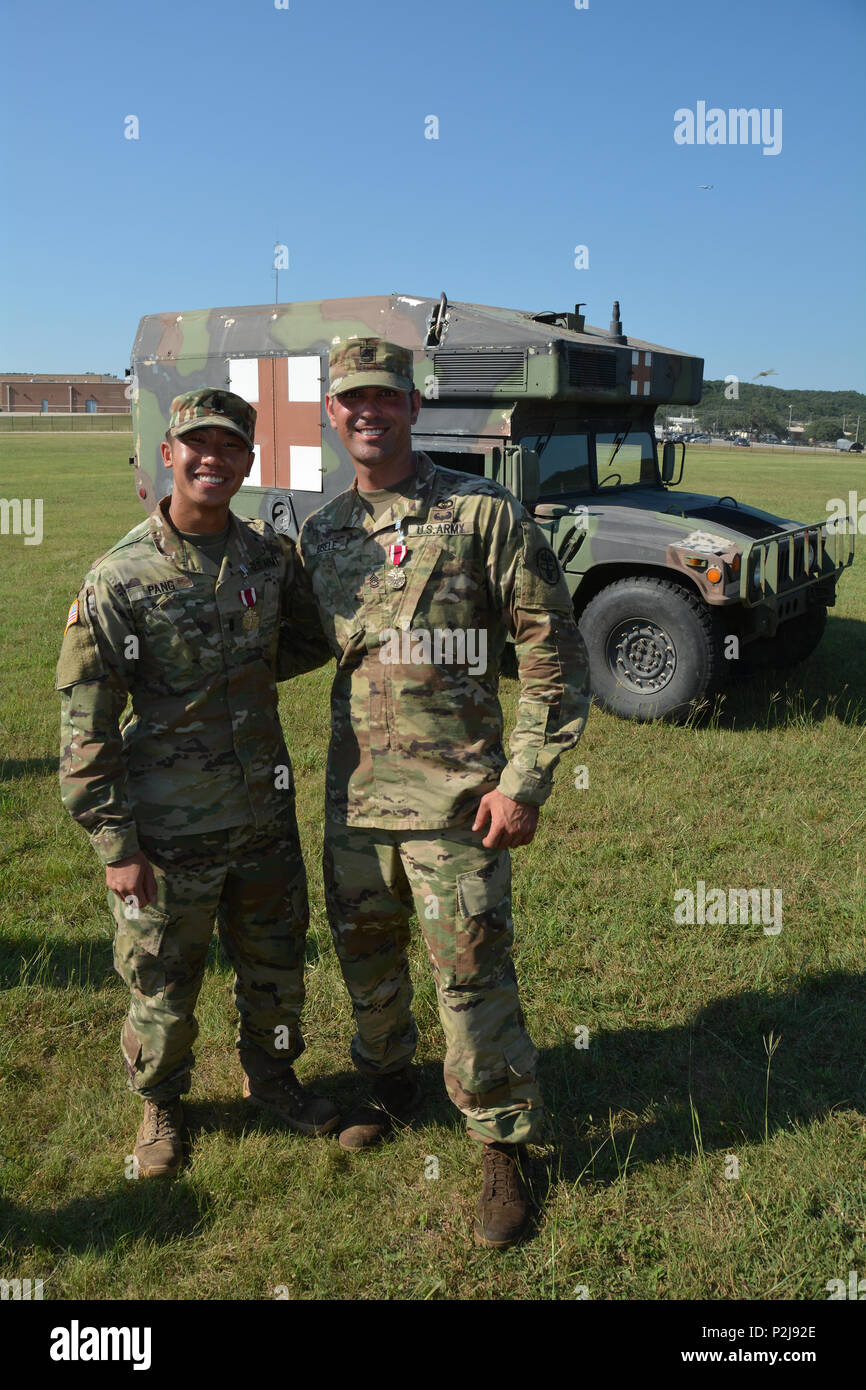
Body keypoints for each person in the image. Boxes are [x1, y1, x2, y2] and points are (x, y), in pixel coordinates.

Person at [298, 338, 591, 1247]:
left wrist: (525, 782)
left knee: (471, 982)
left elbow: (553, 654)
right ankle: (389, 1082)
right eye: (351, 399)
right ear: (332, 413)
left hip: (460, 810)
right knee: (368, 968)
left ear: (413, 406)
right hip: (355, 807)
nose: (367, 412)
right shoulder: (324, 533)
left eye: (384, 396)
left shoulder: (482, 513)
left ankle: (502, 1145)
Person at [56, 387, 338, 1179]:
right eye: (197, 444)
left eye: (230, 447)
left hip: (262, 820)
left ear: (249, 461)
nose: (213, 459)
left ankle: (273, 1076)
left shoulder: (265, 560)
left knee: (277, 970)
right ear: (169, 455)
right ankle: (162, 1104)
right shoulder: (119, 577)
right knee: (163, 983)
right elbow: (86, 726)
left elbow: (302, 641)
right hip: (168, 834)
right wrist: (116, 844)